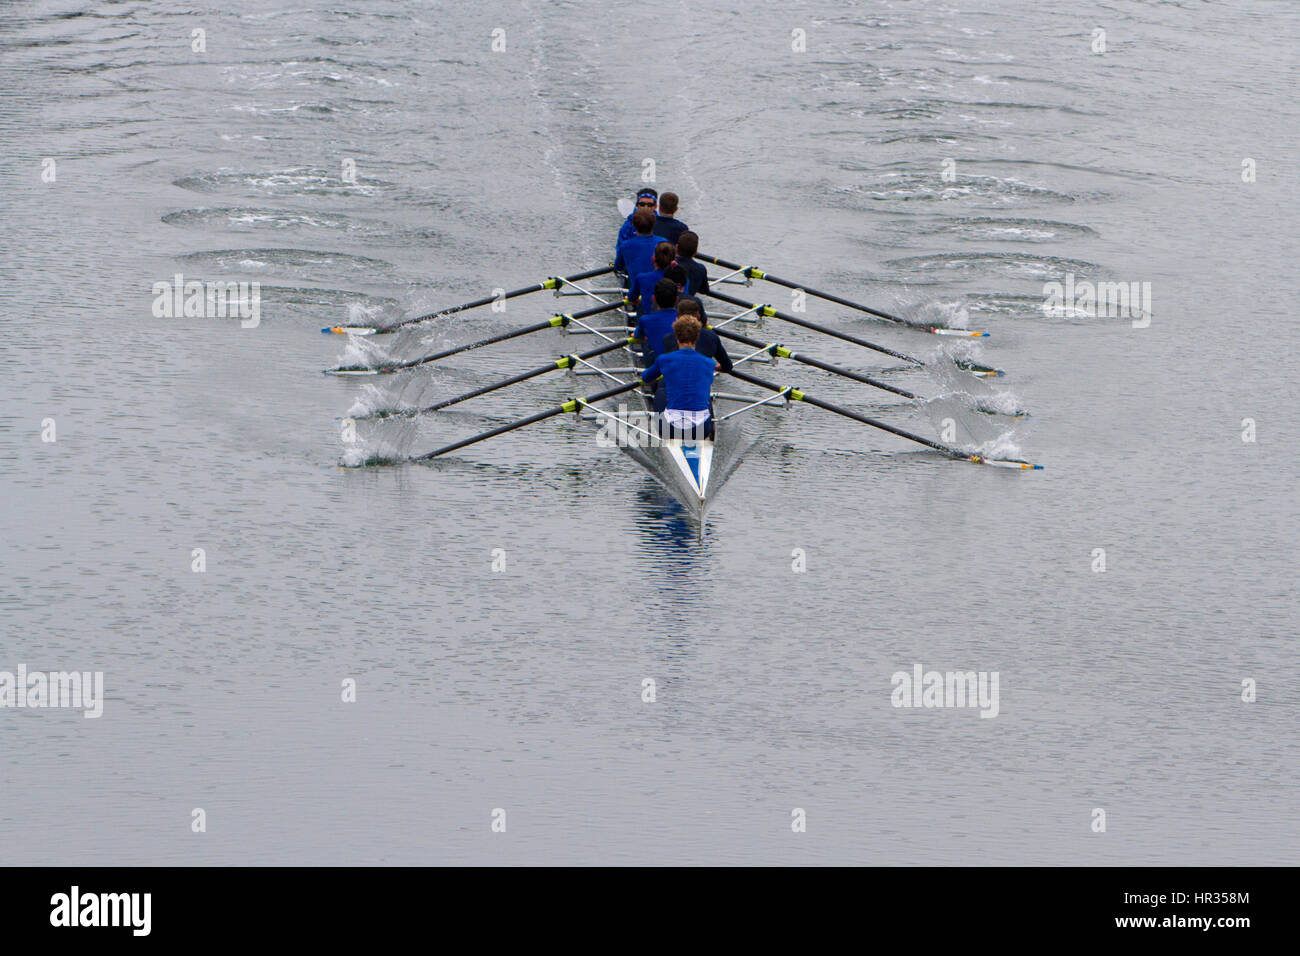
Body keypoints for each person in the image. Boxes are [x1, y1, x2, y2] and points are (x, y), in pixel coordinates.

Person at [642, 315, 716, 440]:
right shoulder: (710, 363)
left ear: (676, 336)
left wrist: (663, 373)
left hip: (671, 428)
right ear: (697, 337)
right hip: (701, 429)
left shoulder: (664, 360)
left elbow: (646, 378)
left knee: (661, 392)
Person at [660, 298, 732, 374]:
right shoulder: (711, 336)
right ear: (698, 316)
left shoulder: (667, 339)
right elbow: (727, 366)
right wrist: (712, 366)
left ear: (677, 318)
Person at [632, 279, 680, 369]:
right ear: (677, 299)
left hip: (660, 367)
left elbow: (638, 338)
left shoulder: (645, 320)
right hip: (680, 366)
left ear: (654, 299)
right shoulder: (686, 320)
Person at [614, 209, 664, 290]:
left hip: (636, 290)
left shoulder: (625, 246)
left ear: (634, 224)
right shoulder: (663, 242)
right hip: (660, 290)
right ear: (654, 223)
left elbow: (618, 267)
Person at [628, 242, 675, 316]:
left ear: (653, 259)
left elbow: (631, 298)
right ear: (673, 261)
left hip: (648, 319)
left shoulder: (641, 278)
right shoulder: (680, 279)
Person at [673, 231, 709, 298]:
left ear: (676, 248)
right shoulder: (701, 269)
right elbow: (704, 290)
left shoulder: (670, 265)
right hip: (688, 302)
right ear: (695, 252)